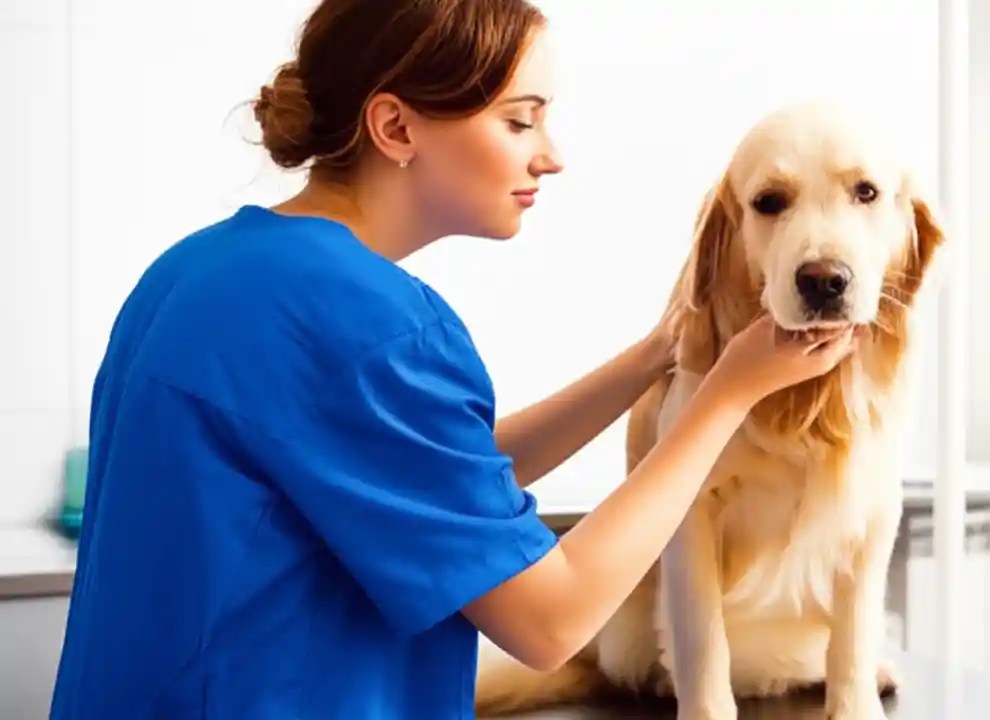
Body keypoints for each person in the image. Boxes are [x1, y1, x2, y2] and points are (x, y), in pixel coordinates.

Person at [49, 1, 857, 718]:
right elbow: (551, 620)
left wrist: (648, 361)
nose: (551, 155)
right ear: (397, 128)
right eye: (520, 120)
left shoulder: (199, 272)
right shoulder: (373, 327)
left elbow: (427, 477)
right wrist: (726, 397)